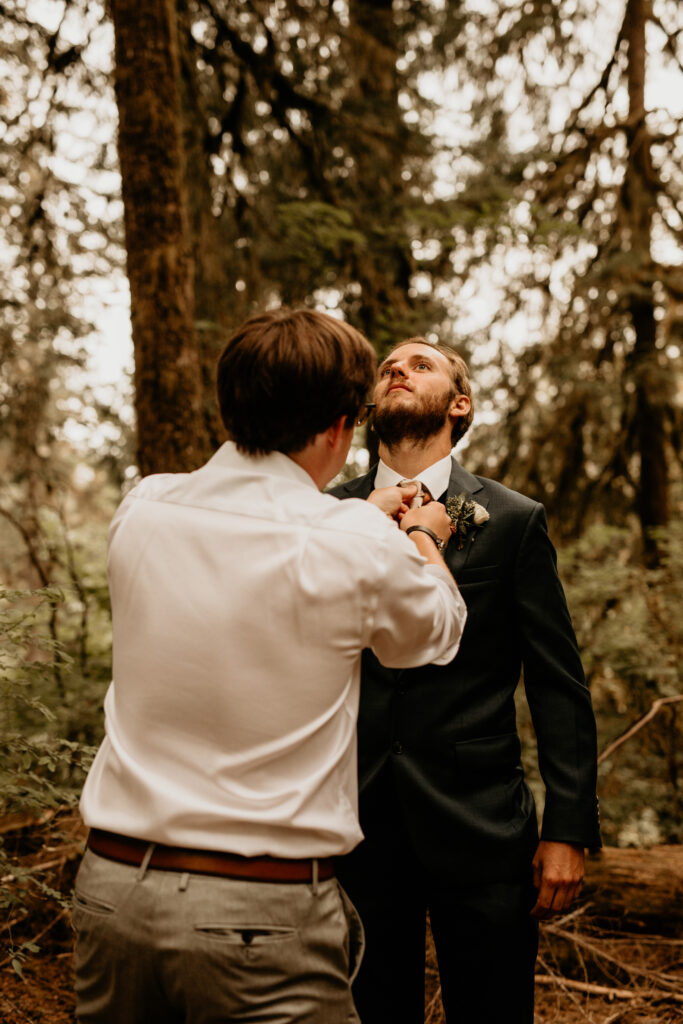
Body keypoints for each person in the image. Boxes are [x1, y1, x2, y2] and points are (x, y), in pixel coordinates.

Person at [72, 310, 468, 1024]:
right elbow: (432, 635)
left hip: (110, 895)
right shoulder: (351, 538)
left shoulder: (144, 507)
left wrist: (351, 522)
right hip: (258, 913)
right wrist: (415, 535)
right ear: (338, 428)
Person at [329, 336, 601, 1024]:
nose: (396, 369)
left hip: (480, 821)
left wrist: (566, 827)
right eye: (387, 366)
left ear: (459, 404)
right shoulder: (325, 518)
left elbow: (554, 680)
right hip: (349, 822)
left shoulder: (512, 519)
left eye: (419, 364)